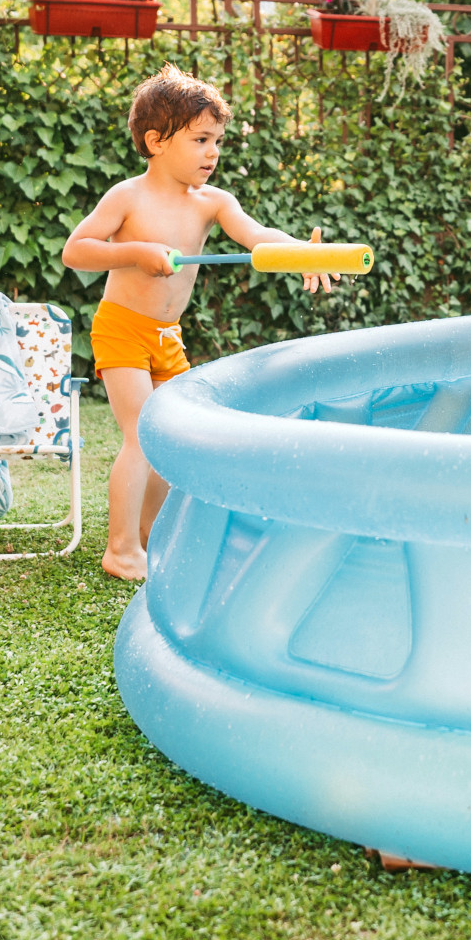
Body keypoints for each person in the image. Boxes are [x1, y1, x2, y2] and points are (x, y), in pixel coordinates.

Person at [62, 66, 337, 580]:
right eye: (200, 140)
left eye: (218, 141)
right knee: (140, 433)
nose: (213, 153)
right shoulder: (127, 197)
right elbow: (75, 251)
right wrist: (136, 253)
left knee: (166, 436)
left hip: (169, 336)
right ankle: (120, 548)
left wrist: (300, 253)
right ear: (156, 141)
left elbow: (258, 237)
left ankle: (151, 535)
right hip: (121, 326)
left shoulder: (213, 202)